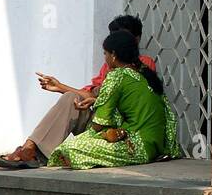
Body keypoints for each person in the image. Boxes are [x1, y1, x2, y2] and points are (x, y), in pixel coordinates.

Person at [0, 15, 157, 170]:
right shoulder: (110, 68)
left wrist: (67, 89)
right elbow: (95, 95)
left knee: (57, 134)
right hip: (102, 114)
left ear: (135, 41)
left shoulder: (141, 66)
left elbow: (110, 100)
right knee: (69, 102)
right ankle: (22, 151)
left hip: (118, 126)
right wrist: (74, 93)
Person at [46, 30, 181, 170]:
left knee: (68, 149)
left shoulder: (116, 76)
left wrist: (87, 140)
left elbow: (100, 123)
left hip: (138, 146)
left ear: (114, 55)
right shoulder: (145, 74)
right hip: (156, 146)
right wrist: (96, 102)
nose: (105, 58)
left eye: (105, 53)